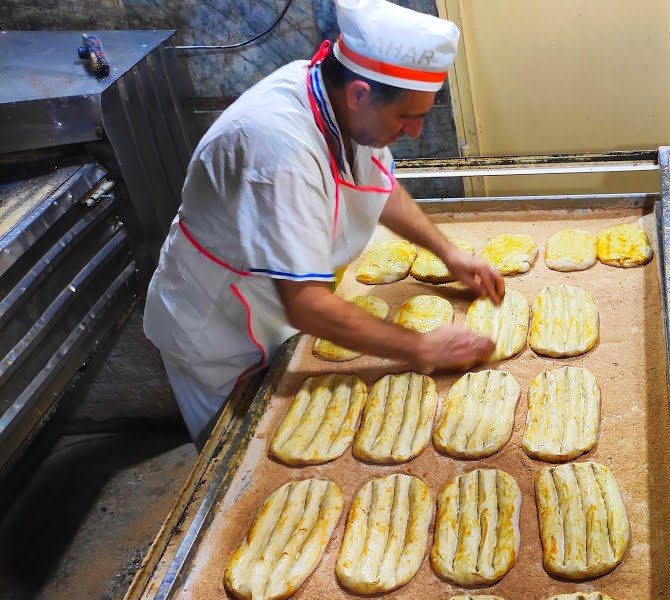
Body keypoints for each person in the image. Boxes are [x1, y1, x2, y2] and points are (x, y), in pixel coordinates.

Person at [144, 0, 502, 442]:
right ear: (360, 95)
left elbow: (378, 186)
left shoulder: (337, 101)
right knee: (239, 448)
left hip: (281, 306)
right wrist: (421, 347)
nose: (414, 132)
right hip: (222, 331)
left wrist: (448, 252)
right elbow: (305, 303)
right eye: (407, 117)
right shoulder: (278, 151)